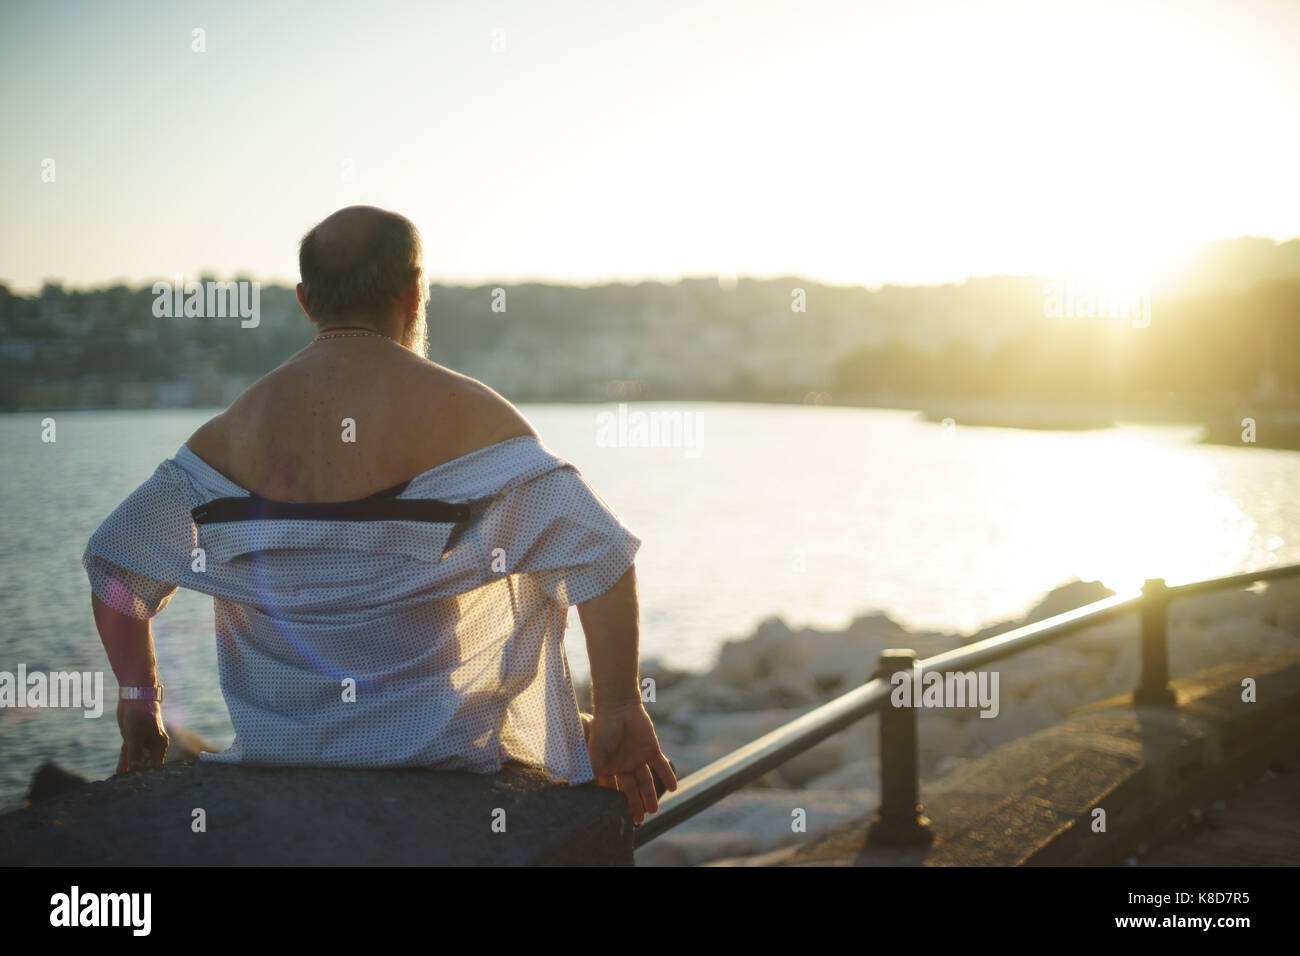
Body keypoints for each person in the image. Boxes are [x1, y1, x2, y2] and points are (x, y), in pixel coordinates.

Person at [84, 205, 676, 824]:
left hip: (282, 765)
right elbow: (598, 551)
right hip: (447, 764)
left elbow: (117, 562)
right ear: (415, 290)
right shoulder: (469, 415)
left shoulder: (233, 430)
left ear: (306, 300)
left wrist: (139, 701)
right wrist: (619, 706)